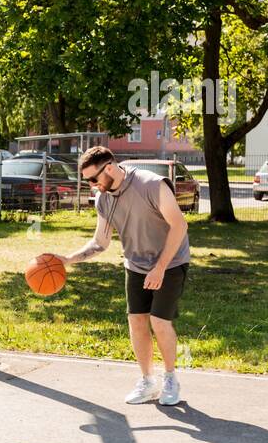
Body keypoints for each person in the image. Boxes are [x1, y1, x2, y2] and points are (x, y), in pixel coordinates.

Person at [58, 146, 189, 405]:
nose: (92, 186)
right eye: (87, 182)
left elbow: (179, 225)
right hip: (136, 265)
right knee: (137, 321)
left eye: (93, 179)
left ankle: (171, 378)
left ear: (109, 167)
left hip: (171, 261)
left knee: (160, 322)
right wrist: (68, 259)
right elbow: (101, 242)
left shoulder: (151, 185)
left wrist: (160, 267)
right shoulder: (104, 199)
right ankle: (148, 381)